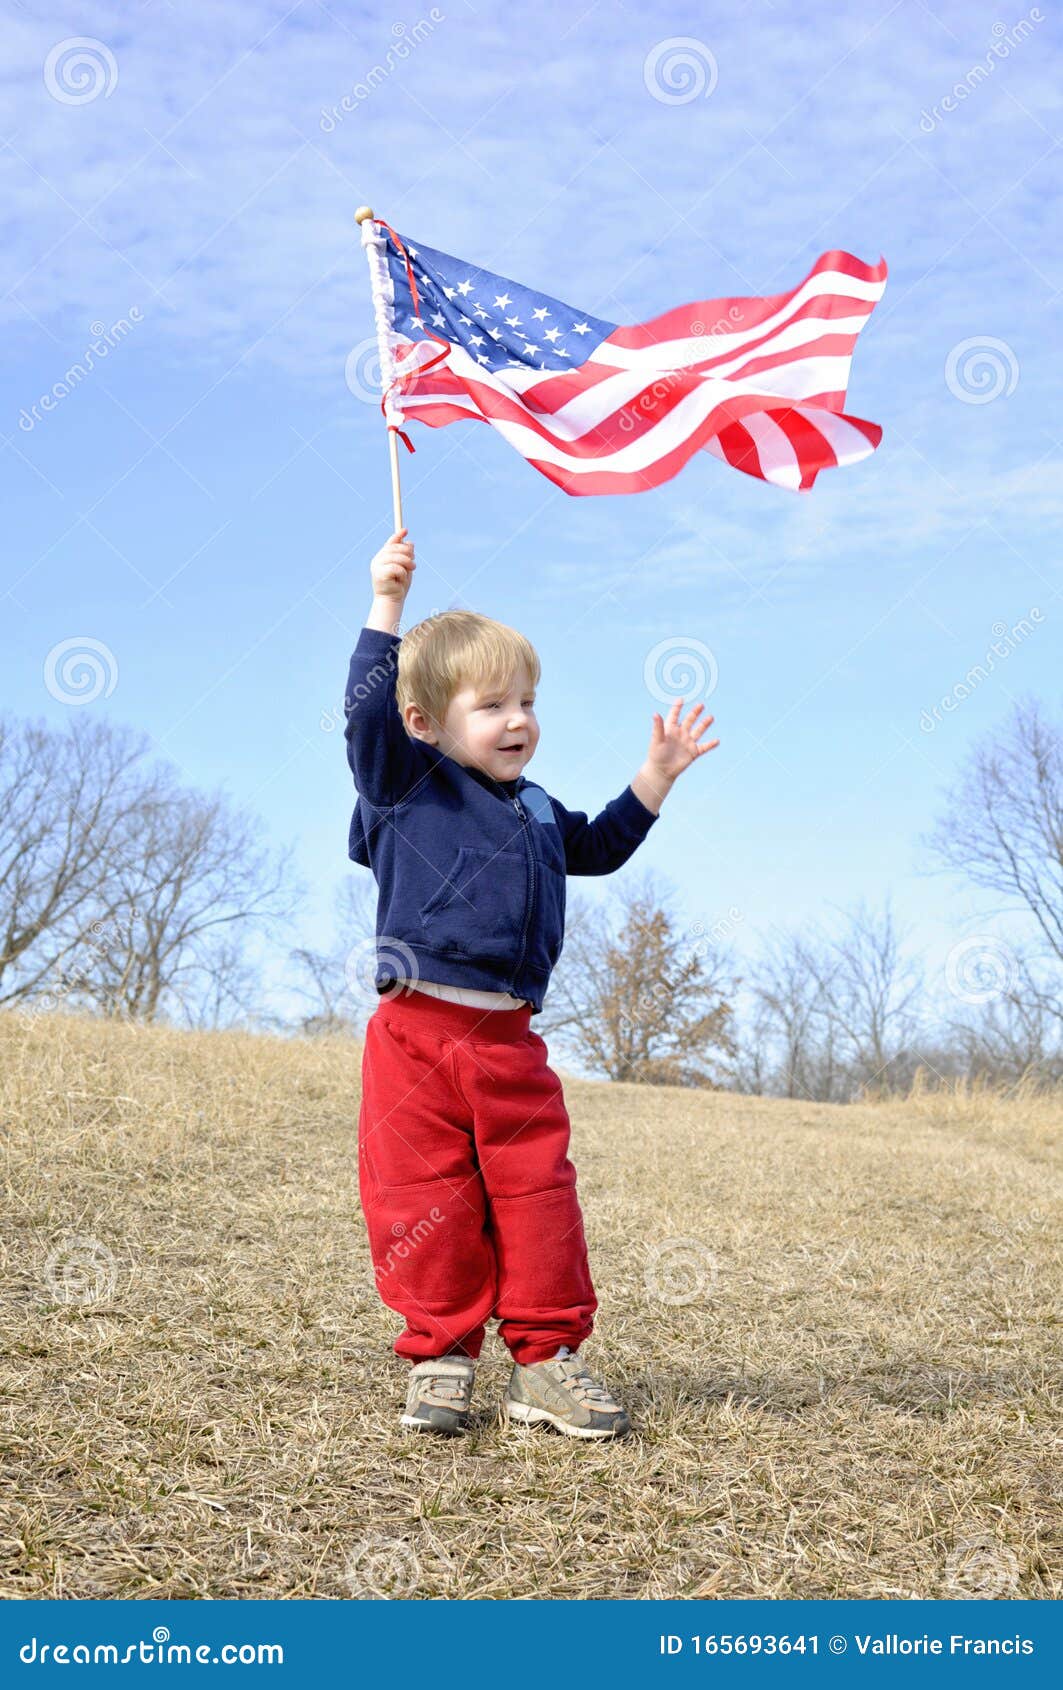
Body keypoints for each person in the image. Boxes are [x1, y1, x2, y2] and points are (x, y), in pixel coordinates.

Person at [344, 527, 718, 1437]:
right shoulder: (408, 784)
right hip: (417, 1039)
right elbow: (365, 715)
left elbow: (593, 849)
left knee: (538, 1194)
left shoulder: (538, 808)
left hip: (510, 1044)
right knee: (424, 1200)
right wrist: (385, 605)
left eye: (528, 702)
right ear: (428, 723)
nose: (518, 720)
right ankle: (440, 1354)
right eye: (492, 705)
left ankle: (545, 1360)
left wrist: (653, 781)